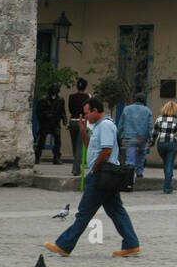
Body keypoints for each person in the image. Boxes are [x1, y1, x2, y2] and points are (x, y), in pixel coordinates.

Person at [45, 96, 140, 258]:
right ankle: (131, 244)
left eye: (87, 113)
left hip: (102, 175)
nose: (85, 116)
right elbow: (93, 149)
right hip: (104, 175)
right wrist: (83, 132)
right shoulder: (98, 126)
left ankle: (64, 245)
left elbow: (106, 150)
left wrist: (94, 170)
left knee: (84, 212)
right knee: (116, 211)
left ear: (95, 111)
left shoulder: (105, 126)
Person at [148, 100, 177, 194]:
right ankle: (168, 187)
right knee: (169, 163)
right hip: (172, 143)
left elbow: (154, 133)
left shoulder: (159, 119)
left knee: (166, 163)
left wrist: (152, 142)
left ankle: (168, 178)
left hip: (161, 144)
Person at [118, 92, 153, 181]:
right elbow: (150, 126)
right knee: (141, 154)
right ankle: (139, 172)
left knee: (130, 158)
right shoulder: (147, 110)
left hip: (129, 137)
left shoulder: (126, 109)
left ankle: (129, 177)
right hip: (142, 138)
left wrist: (118, 135)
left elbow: (121, 124)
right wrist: (151, 138)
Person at [33, 85, 66, 165]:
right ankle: (37, 157)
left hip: (55, 123)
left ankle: (56, 157)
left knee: (58, 141)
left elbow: (62, 111)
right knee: (41, 141)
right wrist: (46, 115)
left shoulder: (60, 100)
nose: (54, 93)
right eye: (53, 91)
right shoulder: (43, 100)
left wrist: (65, 119)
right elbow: (38, 112)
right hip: (45, 124)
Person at [66, 78, 90, 176]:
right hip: (82, 122)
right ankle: (76, 169)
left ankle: (76, 167)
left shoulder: (71, 96)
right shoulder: (88, 96)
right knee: (80, 146)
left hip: (72, 121)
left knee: (74, 145)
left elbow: (70, 109)